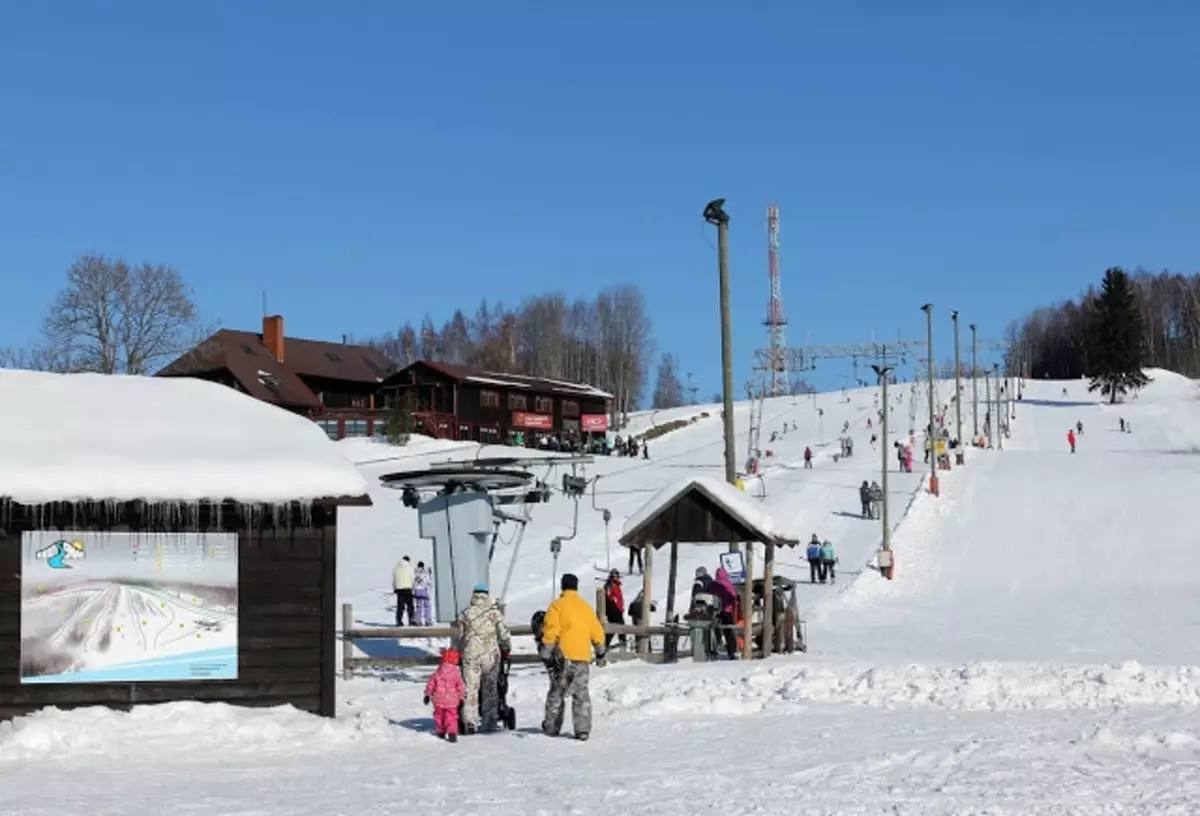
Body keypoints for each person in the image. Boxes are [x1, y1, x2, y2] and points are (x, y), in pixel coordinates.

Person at [540, 573, 606, 741]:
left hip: (562, 658)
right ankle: (582, 729)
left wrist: (546, 651)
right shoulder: (585, 607)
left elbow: (551, 630)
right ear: (576, 587)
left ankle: (552, 726)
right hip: (582, 657)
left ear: (563, 587)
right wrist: (600, 650)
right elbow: (596, 631)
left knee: (557, 692)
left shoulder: (557, 606)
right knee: (581, 693)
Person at [456, 584, 511, 734]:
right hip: (491, 656)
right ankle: (490, 721)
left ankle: (469, 721)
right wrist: (506, 648)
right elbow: (504, 635)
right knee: (490, 689)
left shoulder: (465, 613)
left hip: (471, 656)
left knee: (471, 689)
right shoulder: (495, 613)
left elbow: (460, 637)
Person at [423, 647, 465, 742]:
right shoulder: (456, 674)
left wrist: (427, 695)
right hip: (452, 700)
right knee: (451, 716)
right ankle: (452, 732)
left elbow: (431, 684)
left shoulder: (438, 672)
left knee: (439, 715)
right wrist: (461, 698)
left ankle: (440, 731)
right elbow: (461, 686)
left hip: (438, 699)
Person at [709, 567, 740, 660]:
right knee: (729, 632)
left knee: (714, 631)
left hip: (715, 611)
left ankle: (714, 649)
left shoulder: (712, 585)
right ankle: (732, 651)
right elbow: (734, 597)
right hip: (727, 611)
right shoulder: (729, 585)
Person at [602, 569, 625, 650]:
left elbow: (619, 598)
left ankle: (621, 642)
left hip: (618, 609)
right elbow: (608, 598)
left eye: (616, 576)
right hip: (613, 609)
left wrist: (621, 608)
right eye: (614, 576)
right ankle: (606, 643)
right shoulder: (609, 585)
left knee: (619, 626)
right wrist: (612, 607)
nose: (615, 578)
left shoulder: (617, 585)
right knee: (616, 626)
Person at [392, 555, 415, 627]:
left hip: (399, 589)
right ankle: (411, 619)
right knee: (410, 606)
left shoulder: (396, 568)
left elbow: (394, 579)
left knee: (400, 606)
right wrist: (412, 587)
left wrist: (395, 588)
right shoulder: (410, 568)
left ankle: (399, 621)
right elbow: (412, 578)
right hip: (408, 588)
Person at [413, 561, 433, 626]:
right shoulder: (425, 573)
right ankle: (428, 620)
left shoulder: (415, 573)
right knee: (427, 606)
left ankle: (418, 620)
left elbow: (413, 583)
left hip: (417, 591)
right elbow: (429, 582)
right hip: (424, 591)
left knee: (418, 606)